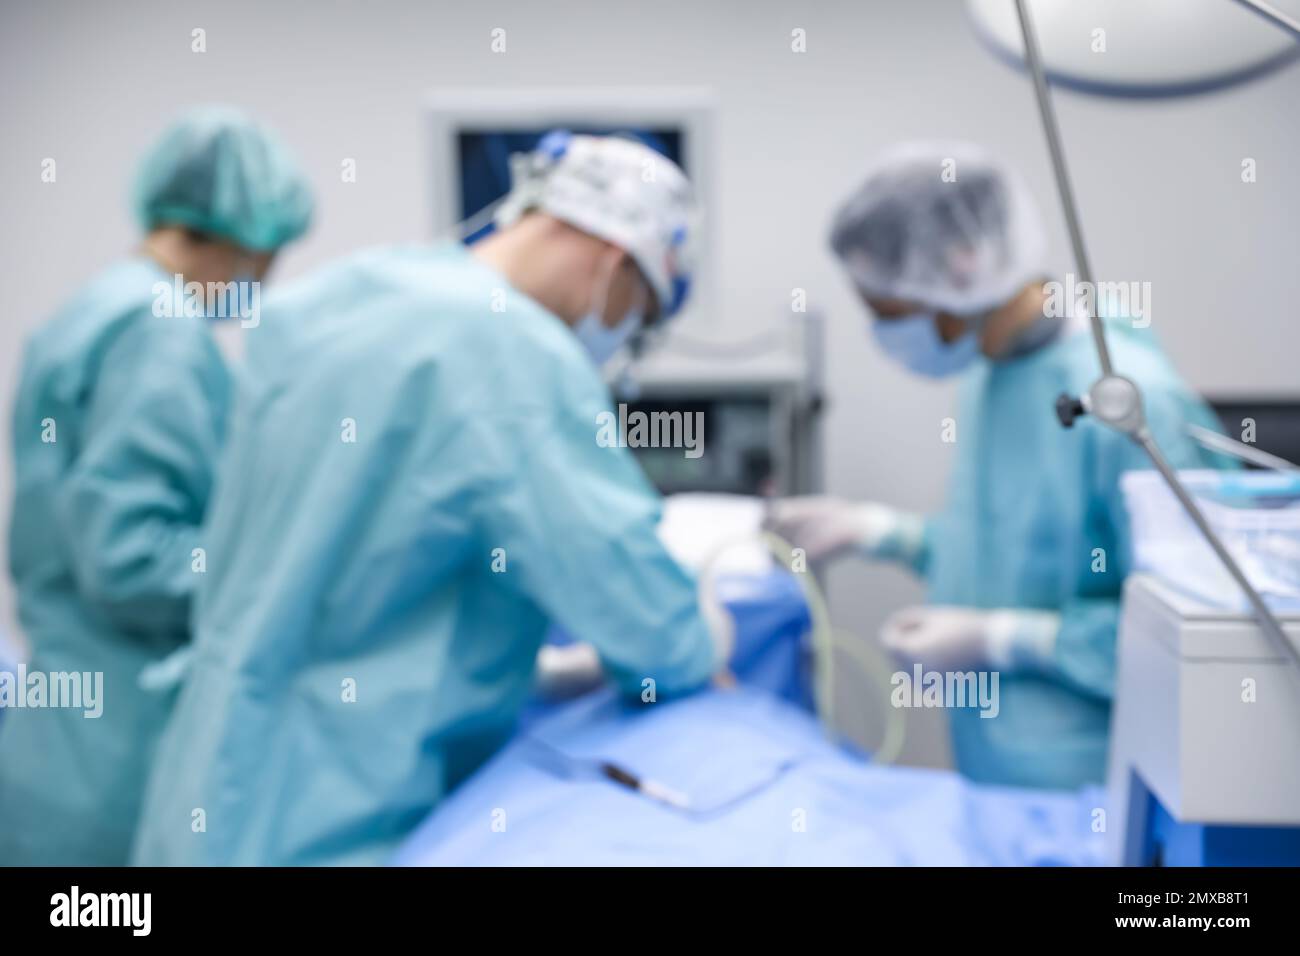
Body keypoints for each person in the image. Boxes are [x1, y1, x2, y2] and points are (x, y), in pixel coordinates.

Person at [131, 132, 730, 866]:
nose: (625, 336)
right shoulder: (514, 354)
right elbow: (645, 618)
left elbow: (337, 567)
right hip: (335, 820)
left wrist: (534, 673)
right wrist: (704, 635)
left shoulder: (340, 297)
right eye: (639, 311)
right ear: (615, 261)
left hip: (206, 783)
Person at [769, 142, 1228, 790]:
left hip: (1089, 783)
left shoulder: (1127, 403)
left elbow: (1207, 629)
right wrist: (880, 532)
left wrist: (1005, 640)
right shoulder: (994, 370)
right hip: (997, 768)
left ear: (962, 269)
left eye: (890, 315)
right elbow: (1010, 554)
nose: (883, 335)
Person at [0, 106, 314, 865]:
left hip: (61, 743)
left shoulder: (93, 310)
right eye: (269, 259)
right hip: (118, 763)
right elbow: (132, 556)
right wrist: (281, 577)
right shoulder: (161, 332)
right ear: (247, 238)